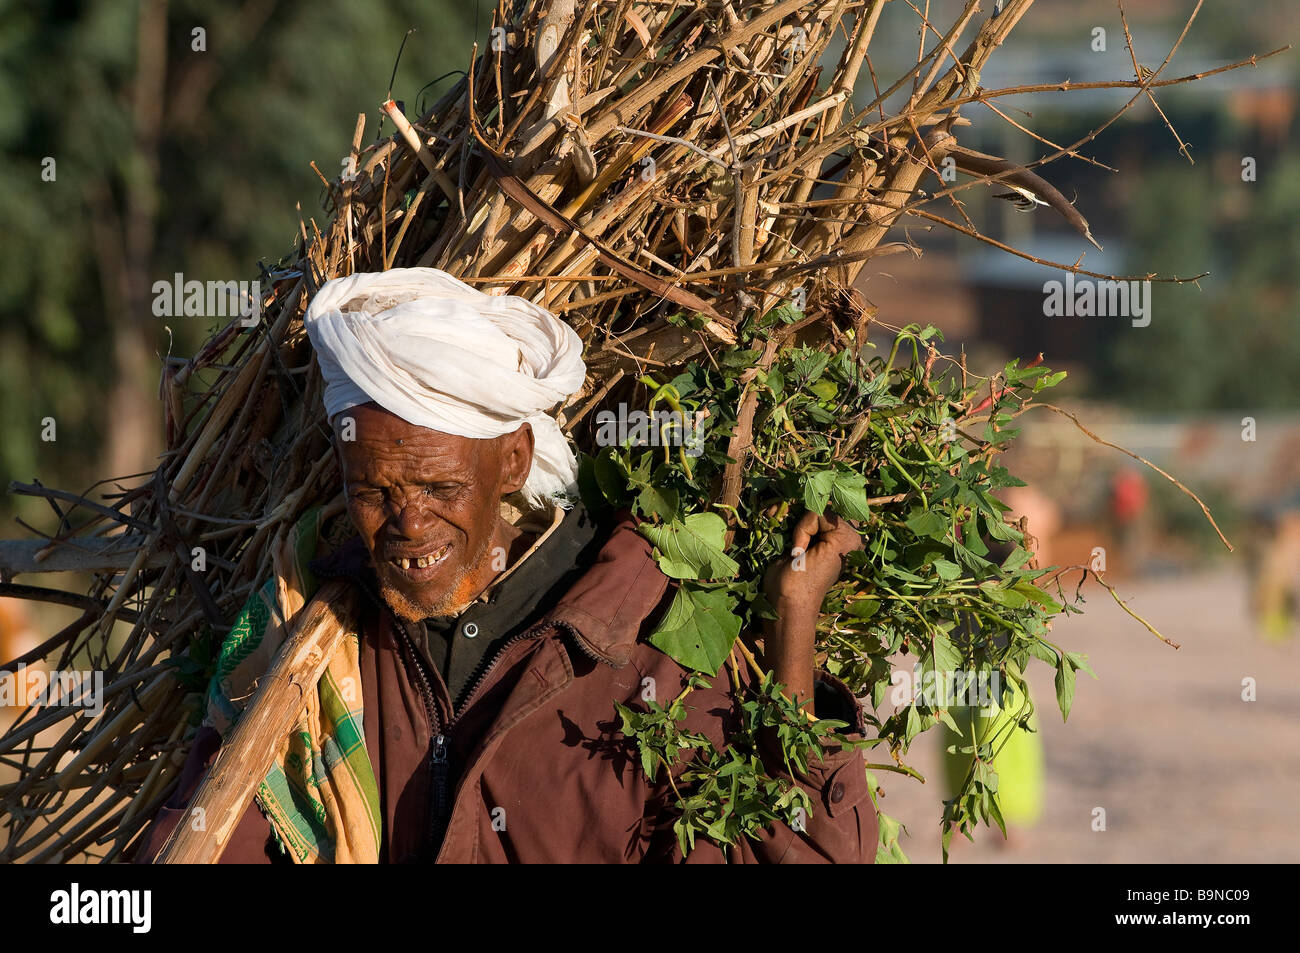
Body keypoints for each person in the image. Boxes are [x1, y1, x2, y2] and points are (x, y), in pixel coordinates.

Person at [136, 268, 877, 864]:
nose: (408, 524)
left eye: (440, 487)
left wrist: (793, 634)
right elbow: (211, 831)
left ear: (514, 460)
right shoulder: (310, 640)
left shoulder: (645, 637)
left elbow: (795, 849)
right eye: (373, 490)